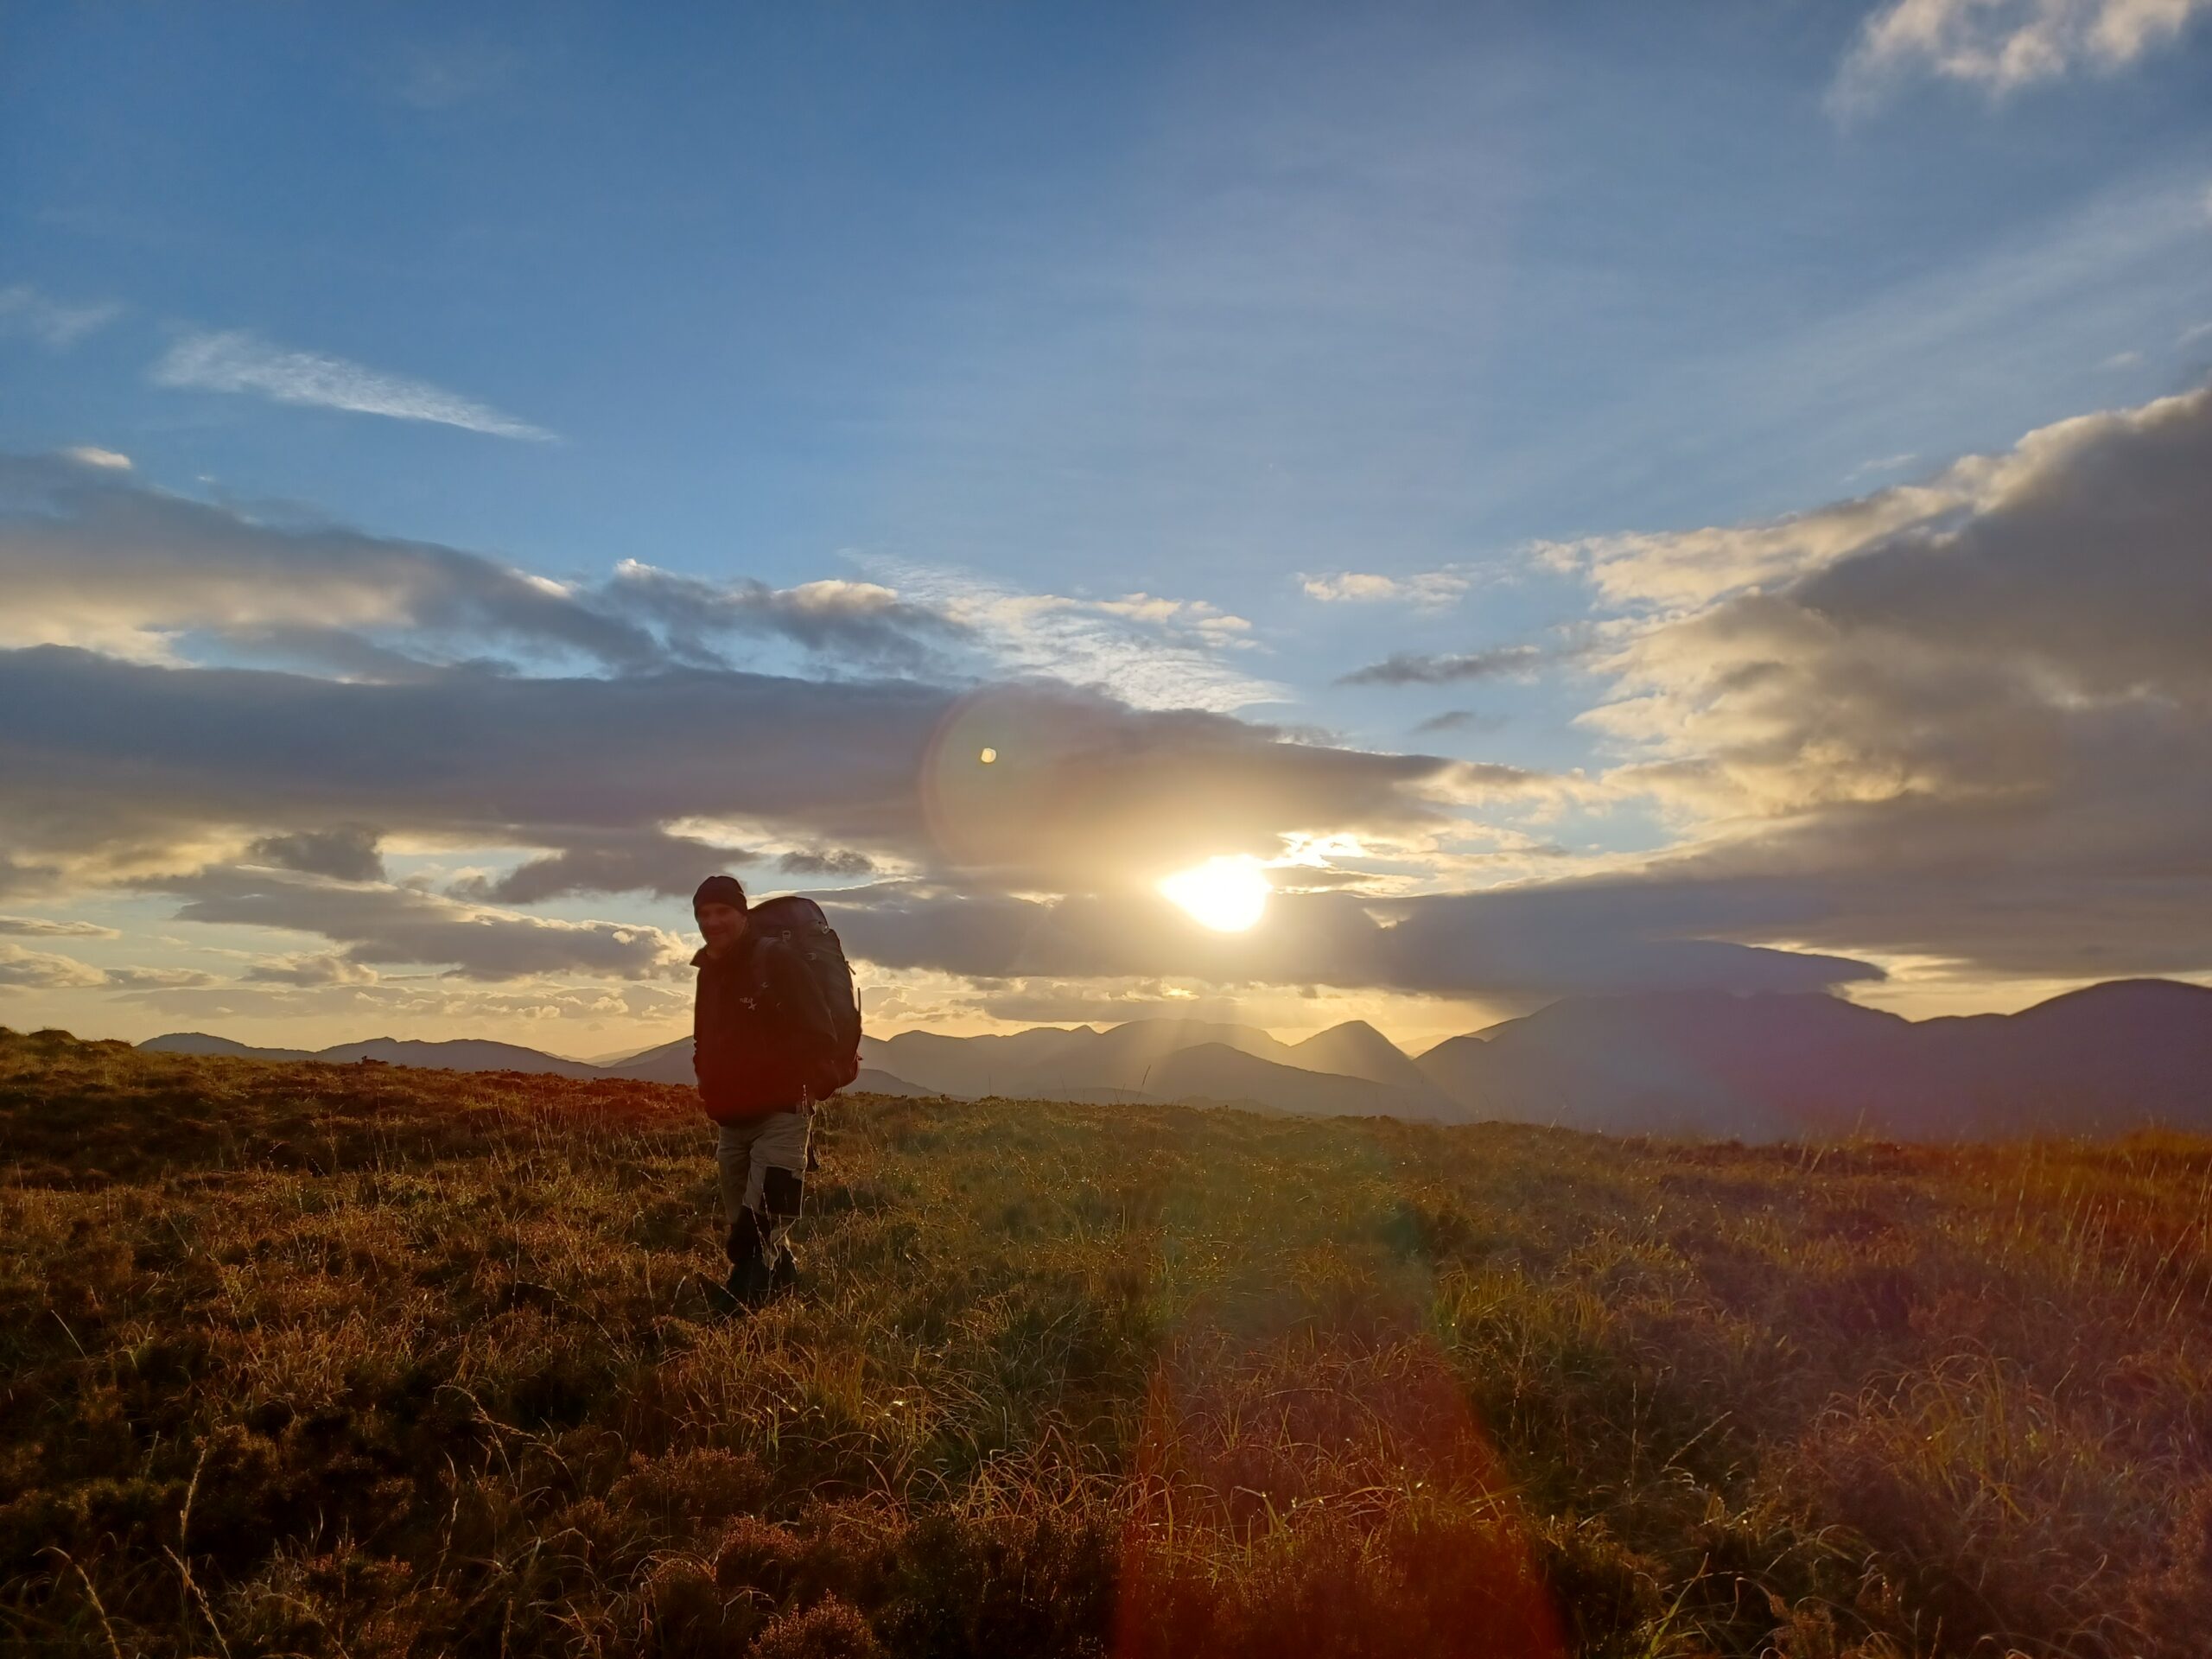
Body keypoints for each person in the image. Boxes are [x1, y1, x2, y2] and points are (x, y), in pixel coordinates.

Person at [690, 873, 815, 1309]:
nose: (712, 922)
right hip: (731, 1118)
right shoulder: (708, 972)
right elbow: (703, 1037)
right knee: (742, 1220)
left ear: (742, 914)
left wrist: (793, 1088)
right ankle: (788, 1283)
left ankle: (736, 1312)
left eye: (722, 911)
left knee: (757, 1228)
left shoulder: (776, 960)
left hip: (781, 1113)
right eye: (704, 914)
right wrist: (709, 1084)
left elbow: (815, 1027)